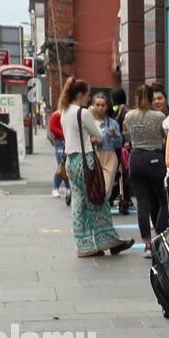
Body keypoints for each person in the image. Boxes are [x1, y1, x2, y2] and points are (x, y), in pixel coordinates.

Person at [59, 77, 134, 259]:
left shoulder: (64, 110)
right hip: (86, 160)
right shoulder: (82, 112)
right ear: (80, 95)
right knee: (97, 198)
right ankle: (106, 238)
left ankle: (84, 243)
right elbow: (98, 135)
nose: (88, 99)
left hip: (71, 160)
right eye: (87, 95)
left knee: (79, 201)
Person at [124, 83, 169, 254]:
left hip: (136, 159)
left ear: (136, 97)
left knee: (143, 202)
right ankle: (160, 234)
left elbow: (127, 133)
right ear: (151, 98)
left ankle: (147, 244)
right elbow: (164, 136)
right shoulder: (158, 116)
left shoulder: (129, 116)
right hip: (155, 158)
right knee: (163, 200)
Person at [90, 92, 125, 211]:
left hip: (109, 156)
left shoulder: (113, 123)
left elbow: (119, 144)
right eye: (97, 105)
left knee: (106, 187)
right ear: (93, 105)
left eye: (103, 105)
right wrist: (91, 140)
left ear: (107, 106)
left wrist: (115, 135)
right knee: (94, 186)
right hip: (94, 155)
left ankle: (102, 211)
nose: (100, 108)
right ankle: (97, 212)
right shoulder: (88, 122)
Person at [48, 105, 66, 198]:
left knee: (67, 166)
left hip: (68, 140)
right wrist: (63, 133)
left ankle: (68, 188)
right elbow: (52, 127)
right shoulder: (56, 115)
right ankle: (55, 188)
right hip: (59, 141)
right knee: (61, 165)